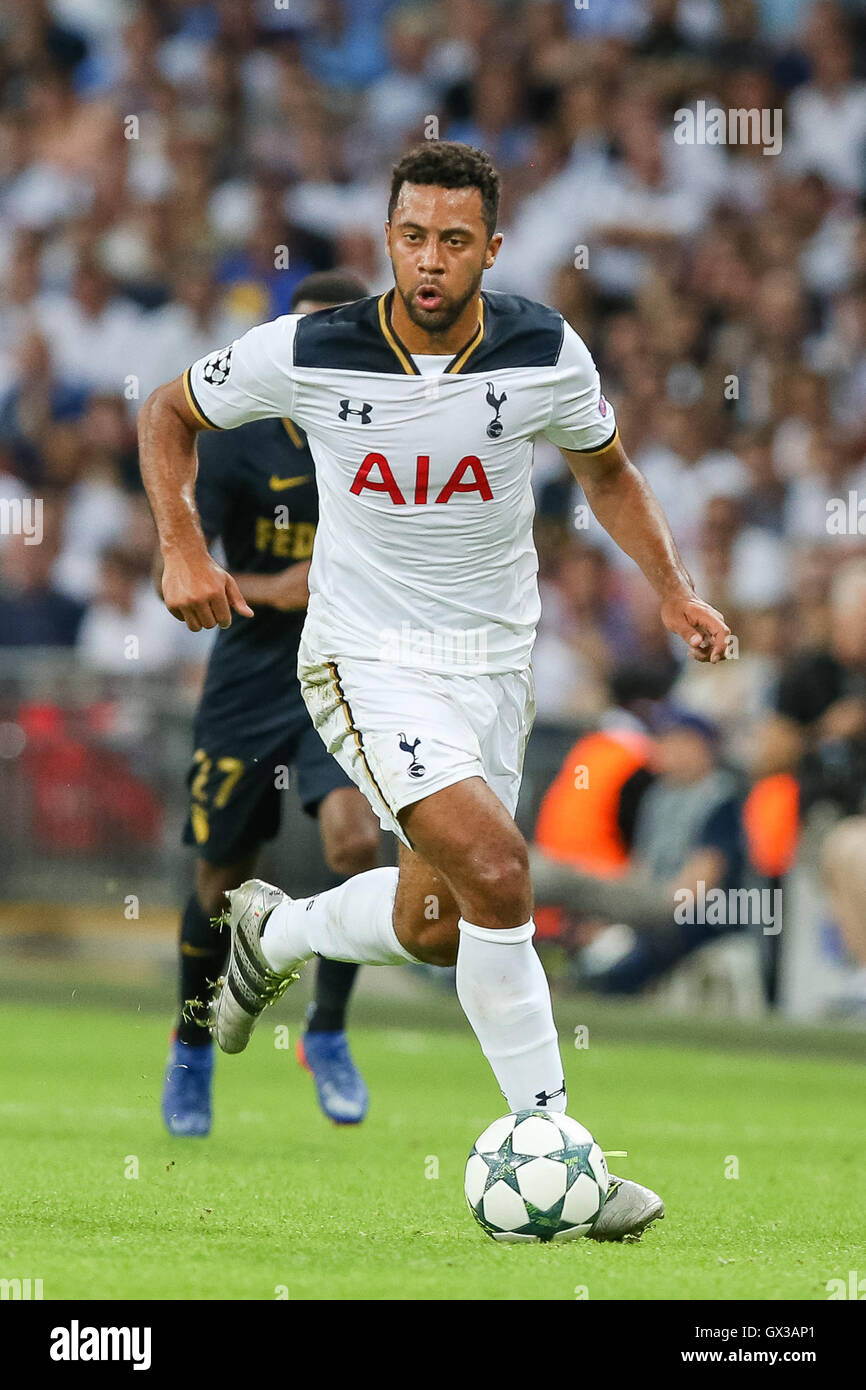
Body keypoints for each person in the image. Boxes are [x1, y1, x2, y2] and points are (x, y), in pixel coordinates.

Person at [140, 141, 731, 1238]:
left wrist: (673, 590)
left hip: (492, 662)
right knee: (501, 870)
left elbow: (606, 470)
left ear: (490, 250)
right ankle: (561, 1149)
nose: (429, 259)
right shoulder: (310, 348)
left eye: (453, 240)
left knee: (435, 921)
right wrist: (181, 546)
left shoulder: (543, 348)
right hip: (366, 656)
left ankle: (274, 934)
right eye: (411, 235)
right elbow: (166, 413)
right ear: (387, 239)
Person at [160, 270, 380, 1137]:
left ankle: (326, 1032)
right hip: (251, 679)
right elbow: (178, 575)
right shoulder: (239, 443)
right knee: (219, 878)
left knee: (358, 842)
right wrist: (275, 587)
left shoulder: (389, 439)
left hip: (347, 672)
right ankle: (191, 1046)